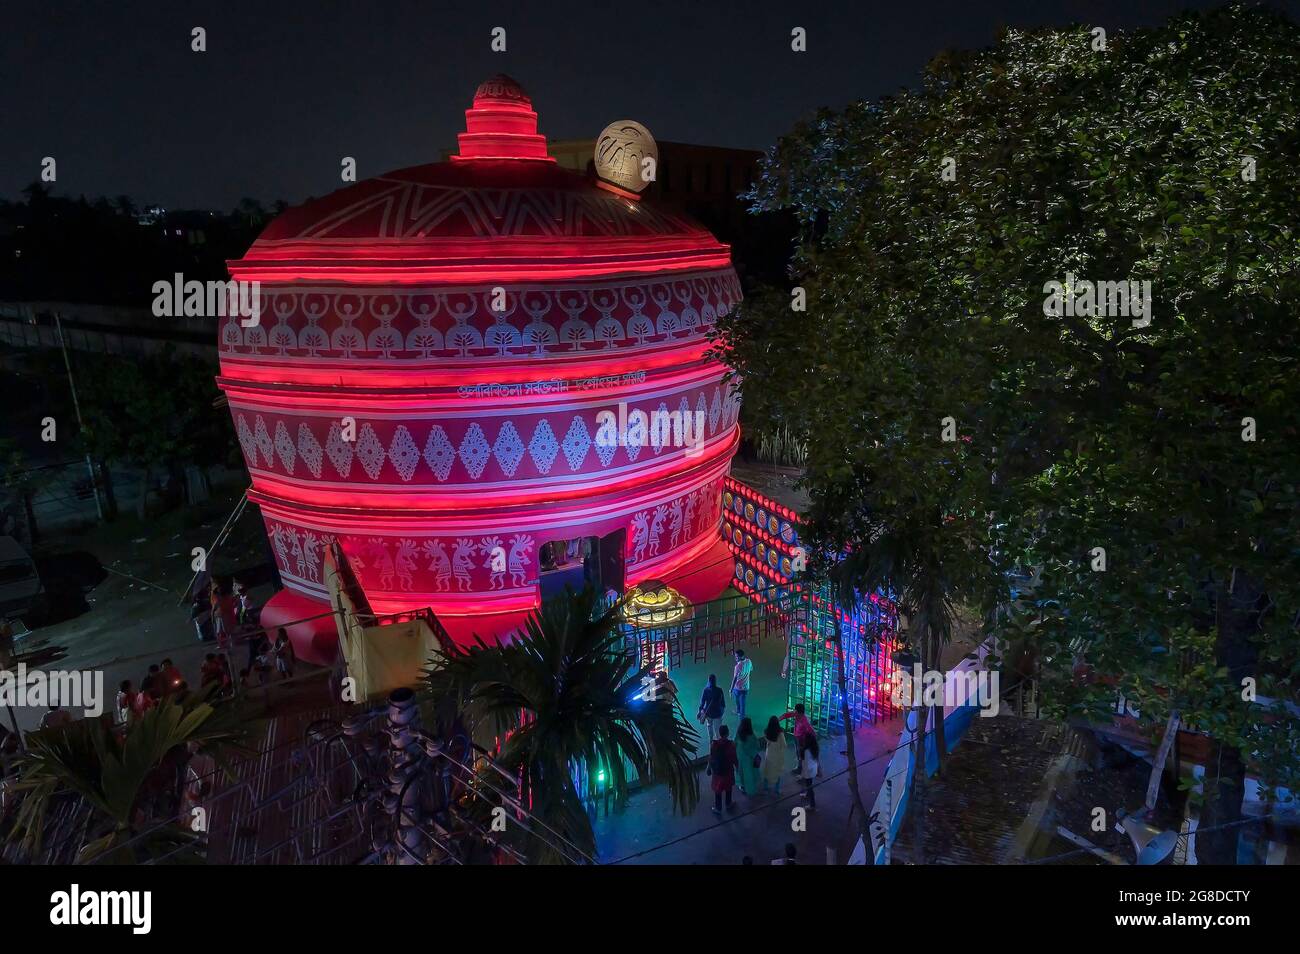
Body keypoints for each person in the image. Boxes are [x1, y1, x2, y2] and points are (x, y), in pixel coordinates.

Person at [707, 724, 738, 815]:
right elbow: (734, 758)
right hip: (728, 771)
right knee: (728, 788)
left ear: (719, 733)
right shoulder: (731, 745)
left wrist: (708, 767)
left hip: (717, 772)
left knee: (718, 790)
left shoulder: (714, 744)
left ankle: (718, 808)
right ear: (727, 733)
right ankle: (728, 804)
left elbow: (711, 757)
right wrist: (737, 767)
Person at [780, 703, 817, 773]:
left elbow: (811, 730)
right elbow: (786, 715)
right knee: (798, 752)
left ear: (800, 712)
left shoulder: (805, 721)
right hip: (796, 737)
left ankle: (801, 768)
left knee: (801, 753)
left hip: (801, 740)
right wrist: (778, 719)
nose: (794, 712)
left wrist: (814, 738)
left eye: (796, 711)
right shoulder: (797, 714)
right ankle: (800, 767)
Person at [759, 715, 788, 795]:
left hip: (769, 753)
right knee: (777, 771)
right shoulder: (780, 733)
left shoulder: (766, 731)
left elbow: (766, 740)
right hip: (778, 754)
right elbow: (784, 745)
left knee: (767, 770)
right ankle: (777, 789)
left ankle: (765, 787)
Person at [734, 717, 762, 795]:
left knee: (741, 771)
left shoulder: (738, 733)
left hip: (740, 756)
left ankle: (741, 785)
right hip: (749, 758)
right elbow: (757, 746)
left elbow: (735, 742)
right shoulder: (751, 736)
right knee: (749, 772)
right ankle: (749, 787)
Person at [696, 674, 726, 740]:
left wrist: (699, 712)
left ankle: (711, 742)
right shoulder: (719, 690)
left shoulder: (706, 690)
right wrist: (722, 712)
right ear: (715, 681)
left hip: (708, 713)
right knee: (718, 732)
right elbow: (723, 703)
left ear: (709, 681)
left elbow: (702, 702)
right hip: (718, 714)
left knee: (710, 728)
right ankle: (718, 745)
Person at [798, 735, 820, 810]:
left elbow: (805, 763)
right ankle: (807, 795)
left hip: (808, 772)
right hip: (813, 770)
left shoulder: (806, 751)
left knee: (810, 787)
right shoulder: (814, 749)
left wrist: (802, 774)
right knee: (809, 785)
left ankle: (812, 805)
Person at [731, 649, 753, 720]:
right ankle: (740, 713)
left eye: (737, 657)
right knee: (742, 703)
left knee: (737, 700)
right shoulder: (749, 661)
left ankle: (739, 713)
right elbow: (751, 669)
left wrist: (731, 689)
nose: (735, 658)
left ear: (741, 656)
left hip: (737, 688)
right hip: (746, 687)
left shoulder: (737, 667)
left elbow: (734, 679)